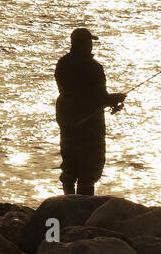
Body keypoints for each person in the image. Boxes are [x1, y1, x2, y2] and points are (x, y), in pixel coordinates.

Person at [54, 28, 126, 195]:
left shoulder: (62, 63)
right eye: (89, 42)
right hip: (89, 125)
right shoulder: (93, 67)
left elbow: (72, 92)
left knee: (70, 164)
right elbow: (99, 98)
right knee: (89, 167)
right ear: (84, 44)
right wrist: (116, 98)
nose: (92, 46)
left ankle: (68, 200)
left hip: (67, 120)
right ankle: (83, 205)